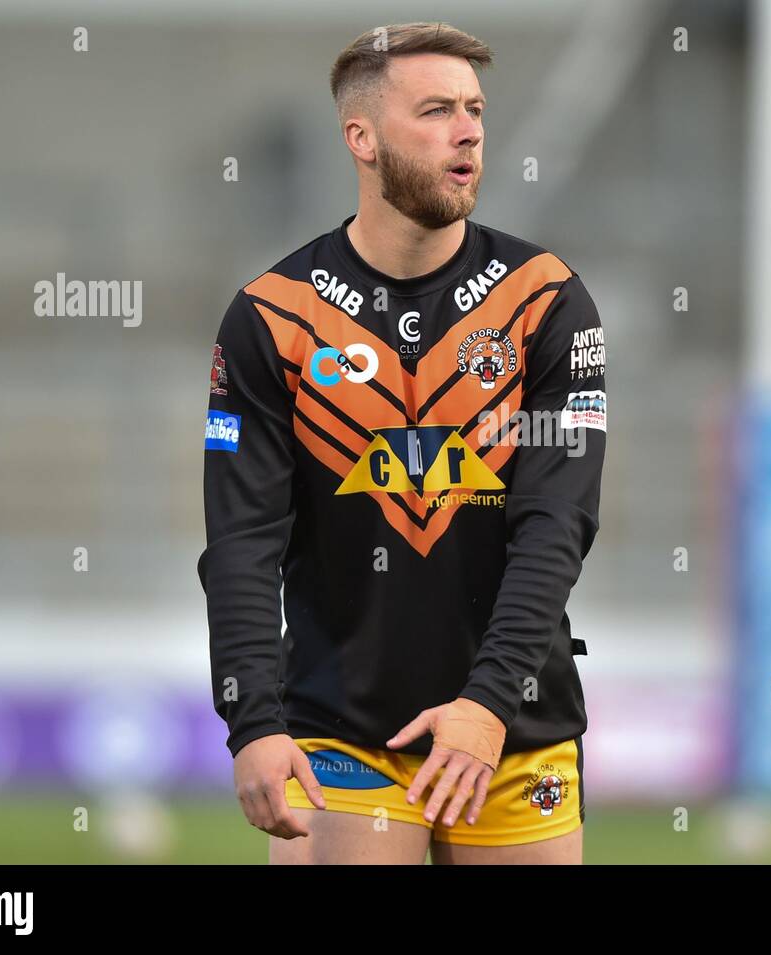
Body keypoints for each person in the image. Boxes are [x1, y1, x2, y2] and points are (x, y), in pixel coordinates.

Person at [197, 21, 607, 864]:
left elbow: (555, 526)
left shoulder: (546, 302)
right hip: (342, 730)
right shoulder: (273, 318)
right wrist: (252, 723)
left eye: (475, 110)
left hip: (514, 725)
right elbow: (242, 545)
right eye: (435, 111)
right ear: (363, 138)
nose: (467, 131)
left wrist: (486, 706)